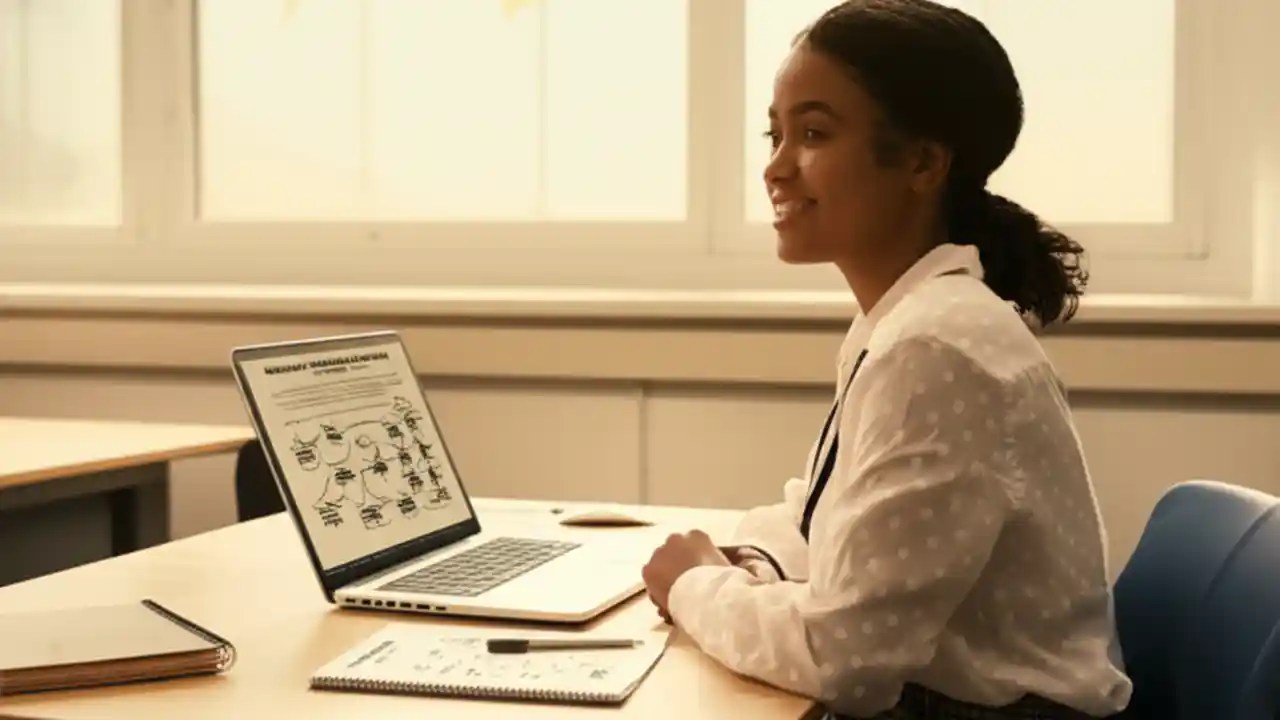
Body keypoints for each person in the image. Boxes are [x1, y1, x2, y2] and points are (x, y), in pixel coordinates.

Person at [640, 1, 1133, 718]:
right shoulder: (914, 318)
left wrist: (695, 587)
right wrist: (749, 564)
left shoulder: (938, 348)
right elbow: (826, 515)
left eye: (812, 134)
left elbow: (844, 658)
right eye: (774, 135)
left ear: (924, 162)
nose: (775, 168)